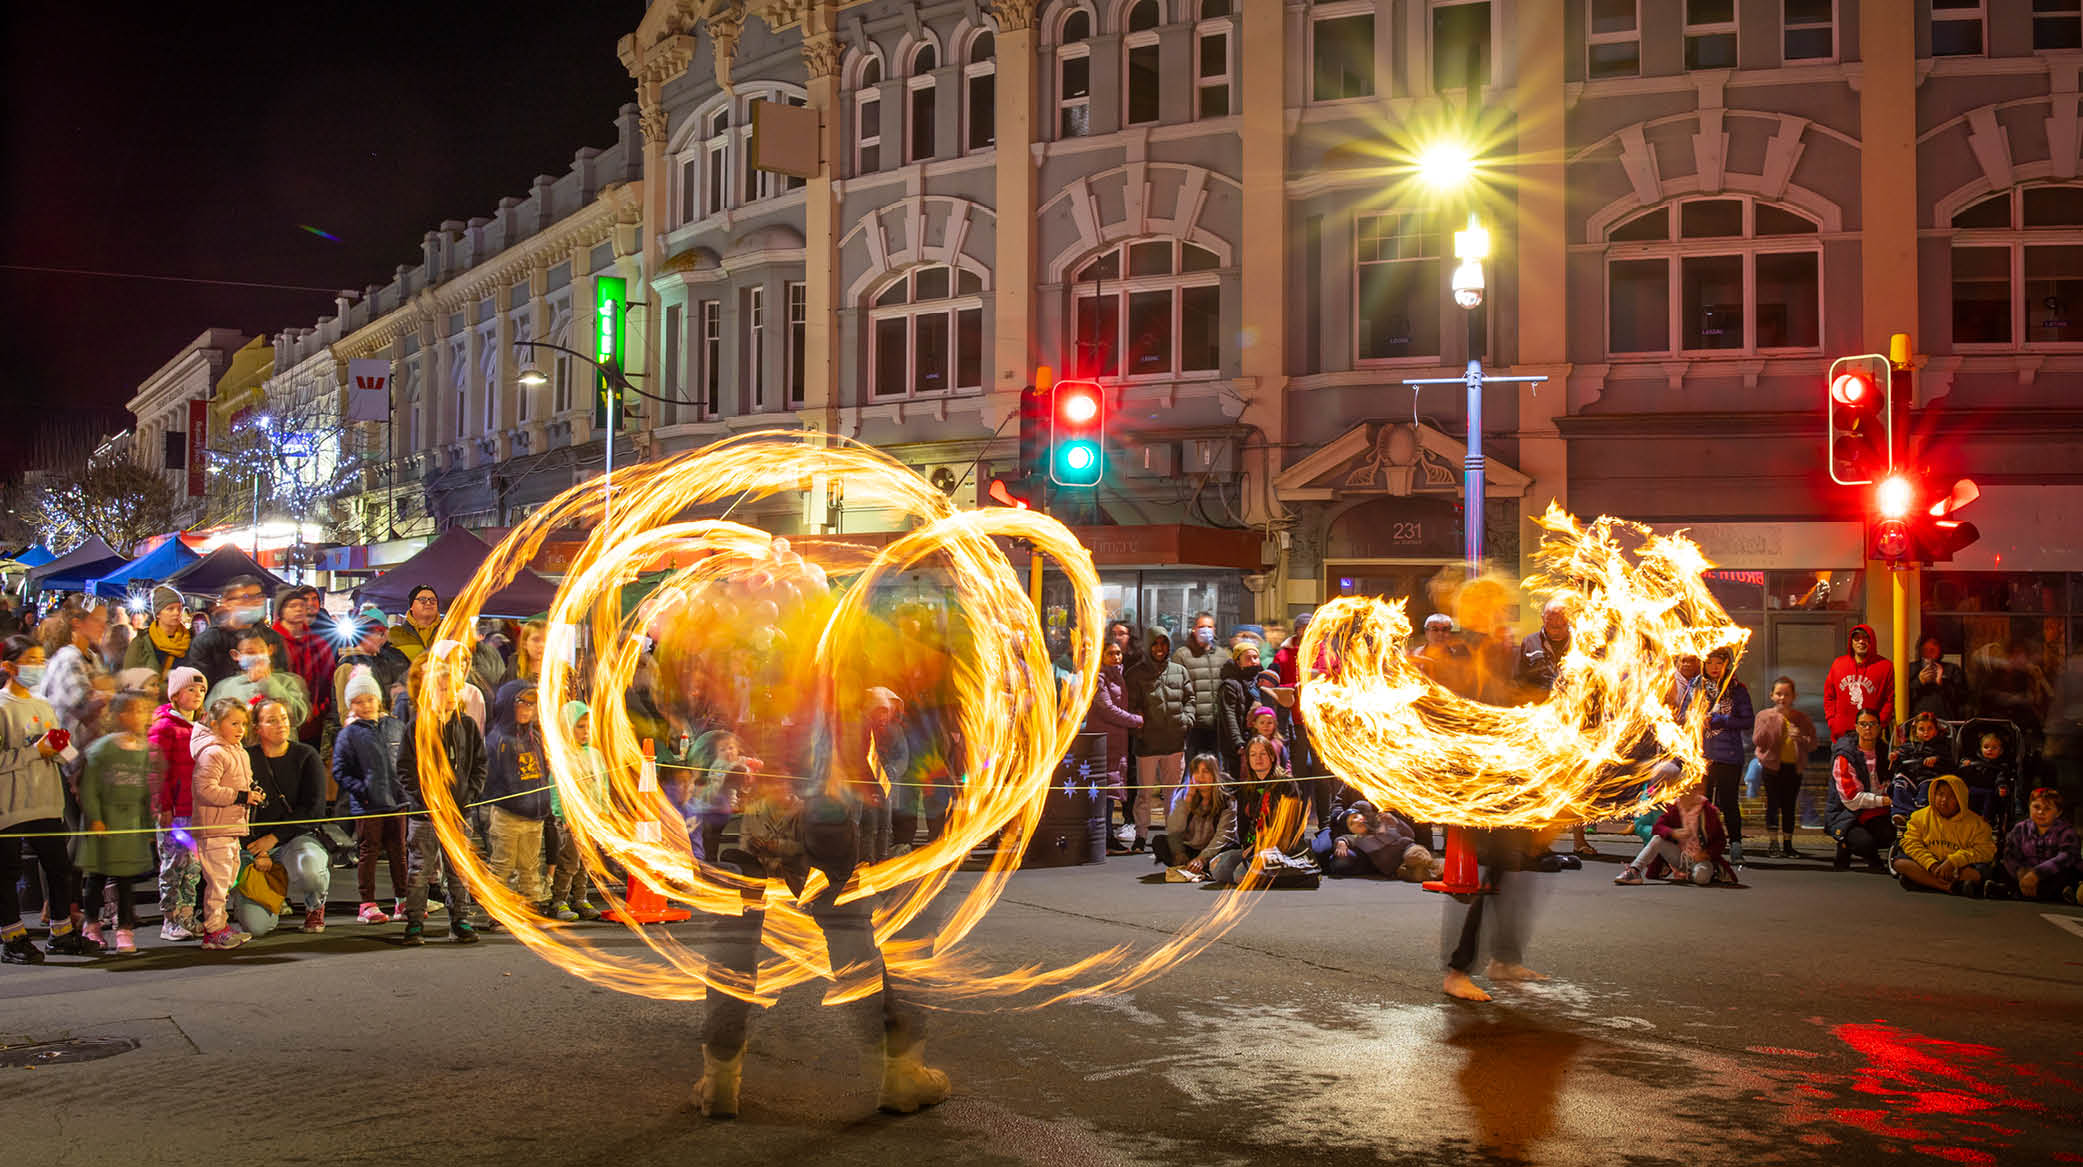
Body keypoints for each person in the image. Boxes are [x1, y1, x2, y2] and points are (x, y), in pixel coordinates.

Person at [1, 636, 98, 962]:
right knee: (8, 871)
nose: (38, 667)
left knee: (59, 867)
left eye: (41, 660)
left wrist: (72, 761)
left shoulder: (42, 704)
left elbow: (59, 749)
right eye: (30, 660)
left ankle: (62, 932)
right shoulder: (2, 707)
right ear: (9, 667)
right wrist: (33, 752)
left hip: (46, 799)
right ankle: (13, 936)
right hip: (10, 804)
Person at [395, 642, 485, 944]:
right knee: (420, 870)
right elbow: (405, 770)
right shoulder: (417, 727)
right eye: (441, 690)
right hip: (425, 815)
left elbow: (479, 764)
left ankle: (461, 919)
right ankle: (415, 922)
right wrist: (422, 799)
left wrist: (469, 793)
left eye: (452, 689)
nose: (448, 696)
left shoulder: (467, 726)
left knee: (458, 870)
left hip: (458, 812)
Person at [234, 696, 330, 936]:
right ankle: (273, 902)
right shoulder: (244, 758)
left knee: (310, 871)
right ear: (257, 728)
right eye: (272, 720)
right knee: (256, 927)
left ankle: (315, 904)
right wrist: (257, 849)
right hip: (253, 846)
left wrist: (274, 838)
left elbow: (313, 810)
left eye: (284, 719)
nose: (281, 725)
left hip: (294, 839)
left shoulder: (306, 756)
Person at [77, 690, 158, 953]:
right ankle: (91, 924)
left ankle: (124, 928)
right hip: (106, 822)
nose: (140, 717)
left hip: (130, 823)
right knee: (97, 876)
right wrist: (96, 818)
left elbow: (146, 791)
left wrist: (146, 824)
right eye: (134, 711)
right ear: (120, 715)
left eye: (144, 711)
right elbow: (89, 788)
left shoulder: (143, 749)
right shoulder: (101, 750)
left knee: (124, 879)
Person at [334, 666, 409, 925]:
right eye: (358, 701)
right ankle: (367, 902)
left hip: (396, 802)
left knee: (399, 851)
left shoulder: (395, 727)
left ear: (379, 699)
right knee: (369, 851)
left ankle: (403, 899)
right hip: (367, 806)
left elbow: (405, 760)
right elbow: (340, 771)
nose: (365, 705)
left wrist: (404, 788)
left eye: (369, 699)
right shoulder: (349, 734)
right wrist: (363, 791)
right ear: (350, 705)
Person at [190, 697, 263, 950]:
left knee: (228, 878)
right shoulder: (212, 752)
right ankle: (213, 931)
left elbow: (243, 781)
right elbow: (205, 789)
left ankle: (220, 925)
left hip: (232, 826)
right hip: (214, 828)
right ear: (215, 724)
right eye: (234, 723)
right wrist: (241, 796)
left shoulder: (238, 751)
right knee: (219, 881)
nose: (241, 729)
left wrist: (252, 791)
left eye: (243, 723)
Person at [150, 666, 208, 939]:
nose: (197, 694)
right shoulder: (164, 727)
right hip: (175, 812)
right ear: (175, 694)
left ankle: (187, 916)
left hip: (196, 810)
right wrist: (163, 806)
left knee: (193, 867)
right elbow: (156, 771)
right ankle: (170, 918)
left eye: (201, 690)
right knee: (174, 864)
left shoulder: (202, 726)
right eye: (191, 689)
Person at [483, 681, 552, 911]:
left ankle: (532, 902)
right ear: (507, 705)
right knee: (503, 865)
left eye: (532, 704)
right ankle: (495, 908)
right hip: (509, 815)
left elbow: (544, 772)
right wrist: (513, 799)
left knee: (530, 864)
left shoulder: (535, 738)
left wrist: (543, 804)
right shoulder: (498, 740)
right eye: (522, 703)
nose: (527, 709)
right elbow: (491, 781)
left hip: (534, 815)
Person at [1123, 626, 1192, 854]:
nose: (1160, 648)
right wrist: (1140, 730)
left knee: (1173, 794)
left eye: (1164, 643)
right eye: (1155, 644)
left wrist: (1186, 720)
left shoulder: (1179, 671)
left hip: (1174, 743)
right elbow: (1130, 706)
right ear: (1147, 645)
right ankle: (1141, 835)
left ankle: (1172, 834)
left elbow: (1190, 698)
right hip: (1147, 745)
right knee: (1144, 794)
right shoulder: (1135, 674)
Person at [1206, 736, 1310, 886]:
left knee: (1239, 876)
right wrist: (1248, 847)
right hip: (1254, 848)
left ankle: (1282, 875)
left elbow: (1286, 828)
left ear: (1272, 757)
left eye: (1263, 754)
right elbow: (1245, 824)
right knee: (1217, 868)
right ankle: (1258, 874)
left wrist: (1257, 848)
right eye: (1253, 755)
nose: (1258, 758)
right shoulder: (1250, 785)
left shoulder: (1285, 783)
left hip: (1280, 848)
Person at [1683, 646, 1754, 863]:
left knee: (1729, 802)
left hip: (1729, 755)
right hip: (1702, 755)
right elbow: (1683, 715)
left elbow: (1748, 720)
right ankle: (1705, 844)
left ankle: (1735, 844)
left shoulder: (1737, 689)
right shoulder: (1696, 687)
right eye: (1710, 662)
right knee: (1702, 803)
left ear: (1727, 665)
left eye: (1719, 662)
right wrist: (1696, 719)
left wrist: (1721, 720)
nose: (1714, 667)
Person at [1612, 780, 1739, 886]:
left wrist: (1707, 854)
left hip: (1700, 860)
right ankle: (1634, 871)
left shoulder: (1708, 811)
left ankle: (1701, 873)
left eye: (1690, 791)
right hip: (1679, 856)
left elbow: (1720, 840)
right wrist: (1673, 833)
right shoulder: (1675, 806)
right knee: (1657, 839)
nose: (1684, 795)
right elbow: (1657, 827)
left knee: (1701, 877)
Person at [545, 699, 604, 922]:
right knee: (569, 861)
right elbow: (555, 787)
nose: (586, 731)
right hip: (572, 819)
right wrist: (560, 813)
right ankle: (559, 899)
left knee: (586, 862)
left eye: (588, 726)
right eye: (580, 726)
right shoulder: (563, 756)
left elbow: (603, 784)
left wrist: (603, 809)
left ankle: (580, 897)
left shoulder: (595, 755)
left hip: (591, 819)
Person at [1083, 639, 1143, 852]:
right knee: (1104, 789)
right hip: (1103, 742)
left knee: (1110, 789)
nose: (1116, 657)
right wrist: (1135, 720)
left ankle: (1105, 836)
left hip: (1116, 740)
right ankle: (1103, 836)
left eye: (1118, 653)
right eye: (1111, 653)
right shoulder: (1099, 678)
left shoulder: (1118, 676)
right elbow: (1106, 708)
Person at [1892, 774, 1996, 895]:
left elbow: (1986, 851)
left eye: (1951, 796)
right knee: (1900, 863)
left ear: (1960, 799)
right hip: (1930, 864)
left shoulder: (1977, 823)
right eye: (1940, 794)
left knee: (1976, 873)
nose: (1944, 800)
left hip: (1958, 867)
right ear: (1933, 794)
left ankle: (1924, 882)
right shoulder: (1919, 817)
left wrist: (1953, 861)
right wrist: (1931, 864)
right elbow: (1910, 843)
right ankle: (1949, 887)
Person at [1752, 676, 1818, 858]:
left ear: (1793, 696)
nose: (1782, 698)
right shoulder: (1764, 716)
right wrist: (1775, 725)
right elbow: (1757, 741)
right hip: (1771, 767)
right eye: (1779, 694)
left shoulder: (1801, 718)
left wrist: (1801, 738)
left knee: (1789, 806)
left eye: (1787, 694)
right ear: (1771, 695)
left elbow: (1813, 743)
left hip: (1793, 767)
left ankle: (1788, 844)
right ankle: (1773, 843)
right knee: (1773, 804)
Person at [181, 576, 285, 687]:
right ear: (227, 602)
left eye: (258, 597)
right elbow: (197, 685)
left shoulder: (272, 638)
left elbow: (283, 677)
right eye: (246, 597)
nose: (253, 602)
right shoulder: (206, 642)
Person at [1827, 709, 1896, 871]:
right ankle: (1848, 845)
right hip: (1848, 815)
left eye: (1872, 724)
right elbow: (1851, 800)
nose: (1868, 728)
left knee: (1894, 835)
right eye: (1863, 724)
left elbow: (1889, 782)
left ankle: (1868, 849)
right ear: (1856, 727)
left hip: (1876, 812)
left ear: (1879, 728)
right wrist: (1884, 800)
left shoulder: (1884, 750)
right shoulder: (1845, 755)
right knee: (1865, 843)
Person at [270, 585, 335, 750]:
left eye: (301, 605)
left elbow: (329, 680)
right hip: (276, 721)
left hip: (312, 722)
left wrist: (319, 708)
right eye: (292, 606)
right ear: (281, 611)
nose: (299, 609)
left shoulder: (319, 643)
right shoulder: (268, 641)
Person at [1988, 787, 2080, 903]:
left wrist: (2037, 873)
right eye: (2036, 807)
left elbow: (2066, 857)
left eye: (2047, 809)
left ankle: (2018, 892)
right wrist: (2020, 872)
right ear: (2029, 807)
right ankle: (2014, 889)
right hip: (2025, 874)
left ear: (2058, 812)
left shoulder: (2066, 831)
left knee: (2067, 873)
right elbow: (2010, 853)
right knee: (2001, 865)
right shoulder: (2020, 828)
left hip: (2049, 873)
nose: (2041, 812)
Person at [206, 631, 311, 729]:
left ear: (270, 650)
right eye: (250, 653)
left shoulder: (288, 681)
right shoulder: (224, 686)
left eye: (261, 651)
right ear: (235, 655)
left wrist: (268, 683)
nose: (258, 657)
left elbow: (298, 716)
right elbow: (210, 723)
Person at [1154, 754, 1234, 878]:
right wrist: (1178, 851)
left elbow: (1223, 836)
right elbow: (1173, 829)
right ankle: (1192, 867)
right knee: (1160, 842)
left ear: (1214, 774)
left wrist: (1202, 859)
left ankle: (1202, 868)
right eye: (1196, 772)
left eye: (1205, 771)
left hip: (1214, 850)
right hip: (1192, 848)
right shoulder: (1184, 794)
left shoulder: (1226, 800)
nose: (1200, 777)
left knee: (1226, 855)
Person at [331, 605, 409, 717]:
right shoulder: (347, 666)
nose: (382, 638)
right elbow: (346, 713)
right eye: (379, 633)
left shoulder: (379, 659)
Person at [1823, 624, 1893, 743]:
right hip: (1841, 735)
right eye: (1857, 638)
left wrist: (1879, 725)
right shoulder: (1838, 664)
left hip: (1870, 736)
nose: (1861, 641)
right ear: (1851, 642)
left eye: (1865, 638)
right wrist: (1832, 722)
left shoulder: (1885, 666)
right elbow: (1829, 696)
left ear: (1872, 641)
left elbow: (1889, 700)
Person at [1177, 611, 1230, 766]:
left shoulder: (1223, 655)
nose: (1205, 630)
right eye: (1201, 627)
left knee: (1216, 768)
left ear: (1214, 630)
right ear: (1194, 629)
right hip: (1194, 726)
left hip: (1218, 724)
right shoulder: (1183, 655)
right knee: (1192, 768)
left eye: (1209, 627)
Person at [1888, 711, 1954, 827]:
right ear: (1915, 731)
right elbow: (1896, 767)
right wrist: (1895, 758)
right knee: (1899, 783)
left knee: (1926, 788)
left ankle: (1918, 813)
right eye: (1921, 729)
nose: (1926, 732)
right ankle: (1900, 814)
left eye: (1929, 729)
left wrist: (1936, 759)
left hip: (1929, 776)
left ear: (1936, 730)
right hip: (1910, 776)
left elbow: (1949, 764)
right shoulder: (1908, 746)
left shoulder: (1941, 746)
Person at [1213, 638, 1262, 779]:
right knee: (1237, 781)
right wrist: (1237, 742)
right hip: (1236, 747)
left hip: (1257, 743)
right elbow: (1229, 716)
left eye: (1255, 657)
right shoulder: (1230, 685)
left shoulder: (1261, 681)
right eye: (1248, 658)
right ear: (1237, 662)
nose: (1253, 661)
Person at [122, 585, 192, 681]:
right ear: (158, 613)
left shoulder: (190, 640)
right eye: (170, 609)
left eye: (179, 609)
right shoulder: (141, 642)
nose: (176, 613)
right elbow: (129, 678)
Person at [1956, 731, 2015, 825]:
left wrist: (2002, 787)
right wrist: (1966, 766)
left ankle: (1986, 820)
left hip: (1990, 791)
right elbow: (1965, 775)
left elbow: (2001, 778)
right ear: (1981, 749)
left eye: (1994, 748)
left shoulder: (2001, 765)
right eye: (1986, 747)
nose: (1989, 750)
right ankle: (1966, 817)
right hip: (1973, 789)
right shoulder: (1974, 760)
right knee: (1966, 793)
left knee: (1990, 796)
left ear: (2001, 751)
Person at [1411, 613, 1476, 697]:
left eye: (1445, 630)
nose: (1440, 634)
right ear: (1426, 632)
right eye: (1435, 629)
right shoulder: (1413, 656)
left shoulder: (1460, 659)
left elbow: (1467, 688)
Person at [1908, 635, 1968, 720]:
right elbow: (1901, 698)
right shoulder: (1910, 669)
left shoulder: (1952, 669)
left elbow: (1962, 699)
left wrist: (1942, 683)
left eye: (1934, 644)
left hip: (1946, 723)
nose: (1930, 648)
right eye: (1926, 646)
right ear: (1920, 649)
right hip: (1917, 723)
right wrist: (1919, 681)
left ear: (1940, 649)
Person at [388, 585, 443, 662]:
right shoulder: (393, 635)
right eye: (422, 599)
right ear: (411, 606)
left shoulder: (451, 632)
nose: (428, 603)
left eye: (433, 600)